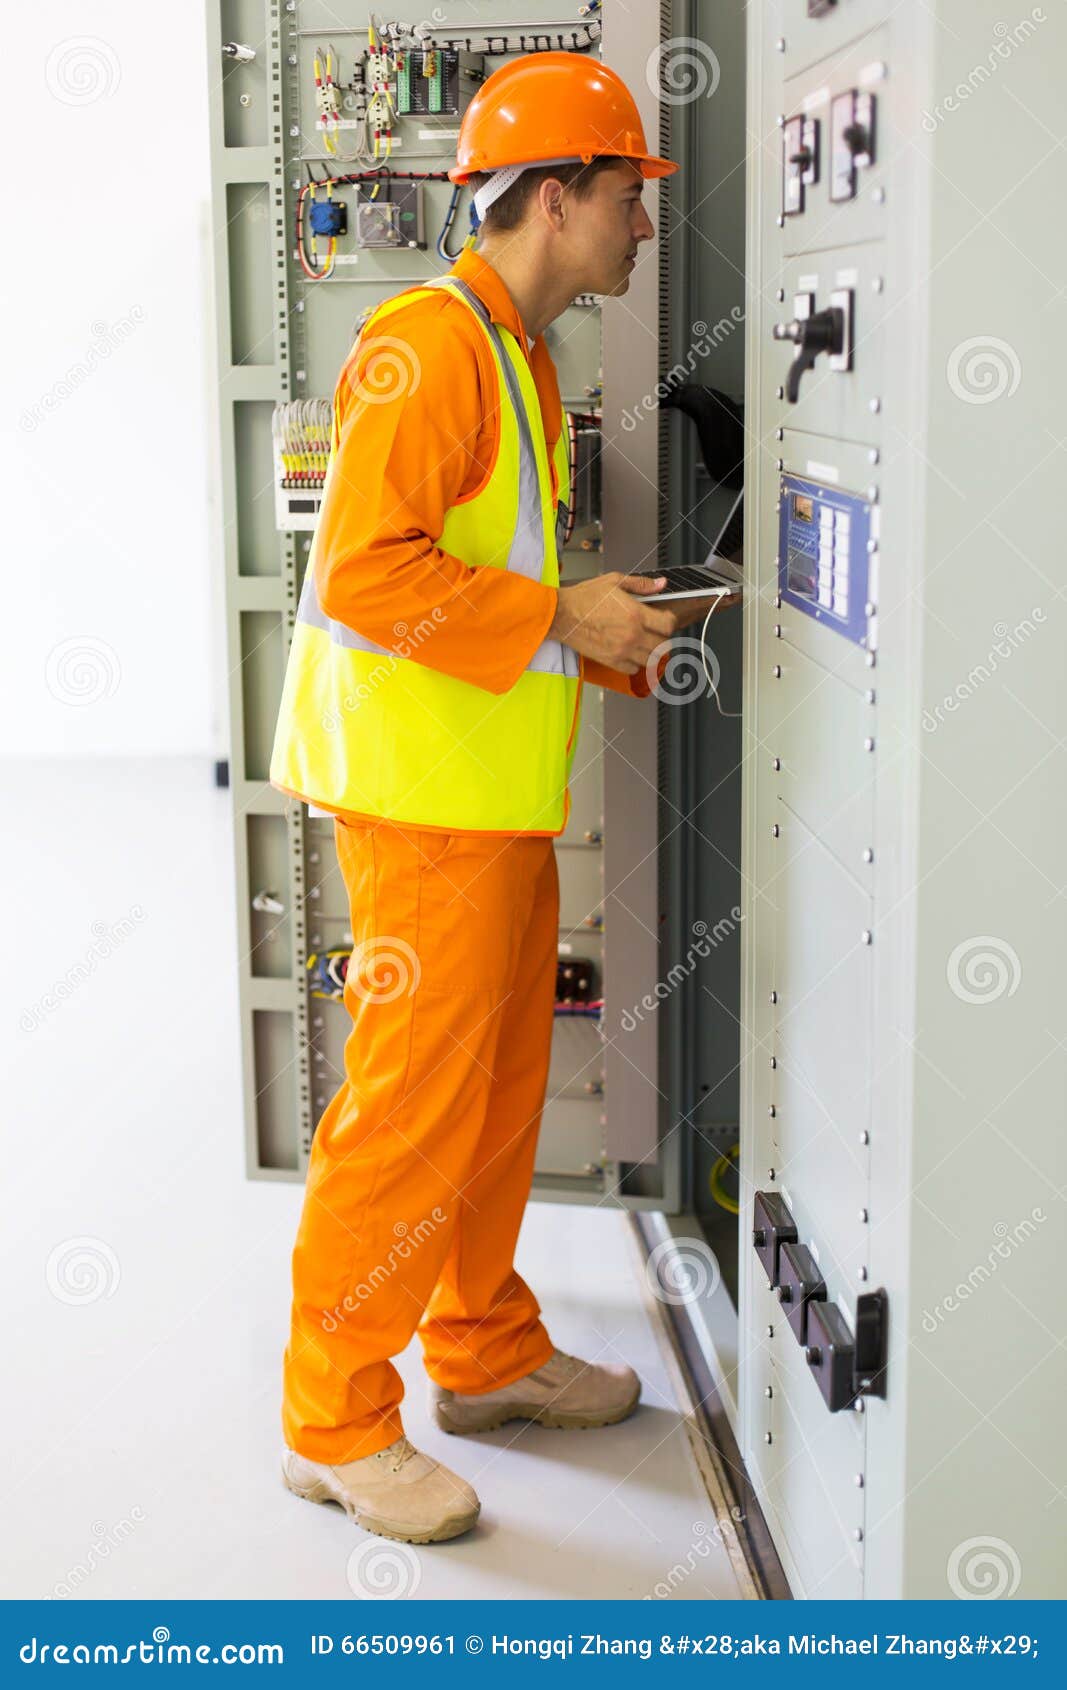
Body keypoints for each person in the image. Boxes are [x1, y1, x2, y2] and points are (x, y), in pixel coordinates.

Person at [269, 50, 737, 1545]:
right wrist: (561, 622)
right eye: (626, 195)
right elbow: (366, 575)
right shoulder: (425, 346)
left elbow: (495, 583)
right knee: (409, 1115)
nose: (644, 227)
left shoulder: (519, 358)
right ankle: (335, 1420)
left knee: (495, 1100)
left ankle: (480, 1351)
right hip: (420, 807)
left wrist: (599, 631)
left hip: (492, 798)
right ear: (550, 197)